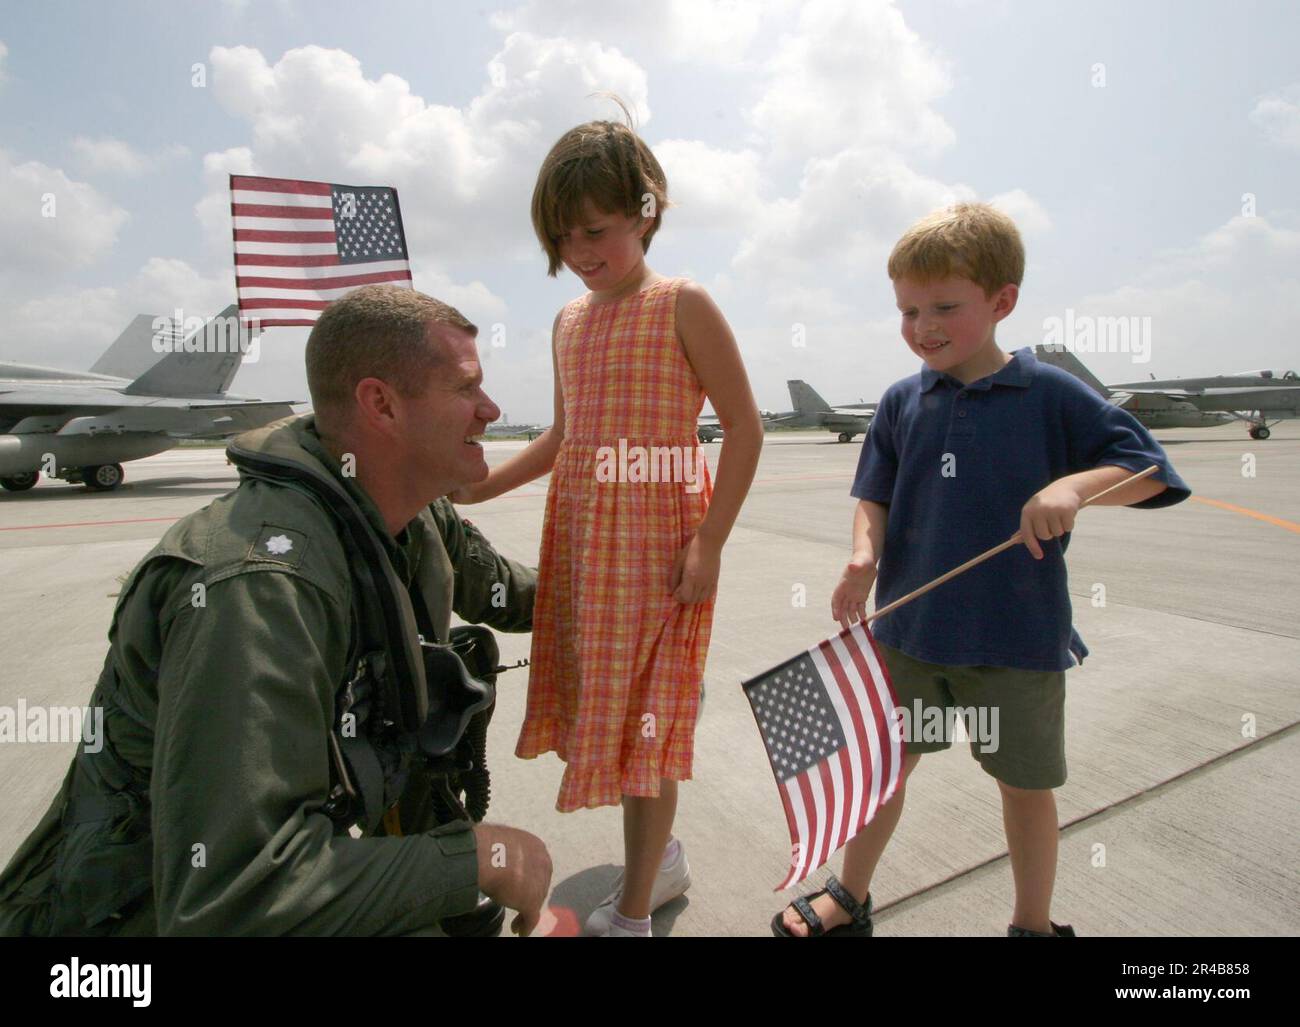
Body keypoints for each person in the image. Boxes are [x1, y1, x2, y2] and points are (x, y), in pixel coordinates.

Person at [0, 285, 553, 936]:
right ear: (381, 405)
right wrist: (477, 860)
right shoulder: (255, 588)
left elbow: (506, 592)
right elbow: (232, 896)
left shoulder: (411, 510)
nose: (490, 409)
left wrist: (633, 578)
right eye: (467, 388)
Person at [773, 203, 1191, 938]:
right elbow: (873, 493)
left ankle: (1034, 922)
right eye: (906, 310)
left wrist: (1073, 487)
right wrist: (864, 553)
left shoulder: (1050, 393)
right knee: (881, 774)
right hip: (909, 633)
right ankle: (850, 890)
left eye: (943, 307)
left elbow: (1149, 469)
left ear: (1002, 302)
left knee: (1024, 786)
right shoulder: (902, 400)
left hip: (1016, 643)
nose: (921, 326)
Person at [453, 105, 764, 936]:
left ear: (646, 210)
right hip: (590, 550)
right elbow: (563, 435)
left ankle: (632, 909)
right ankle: (658, 860)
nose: (580, 253)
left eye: (595, 229)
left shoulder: (681, 303)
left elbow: (745, 426)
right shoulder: (568, 321)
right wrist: (485, 489)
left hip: (664, 550)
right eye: (563, 239)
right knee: (621, 722)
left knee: (649, 725)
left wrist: (712, 540)